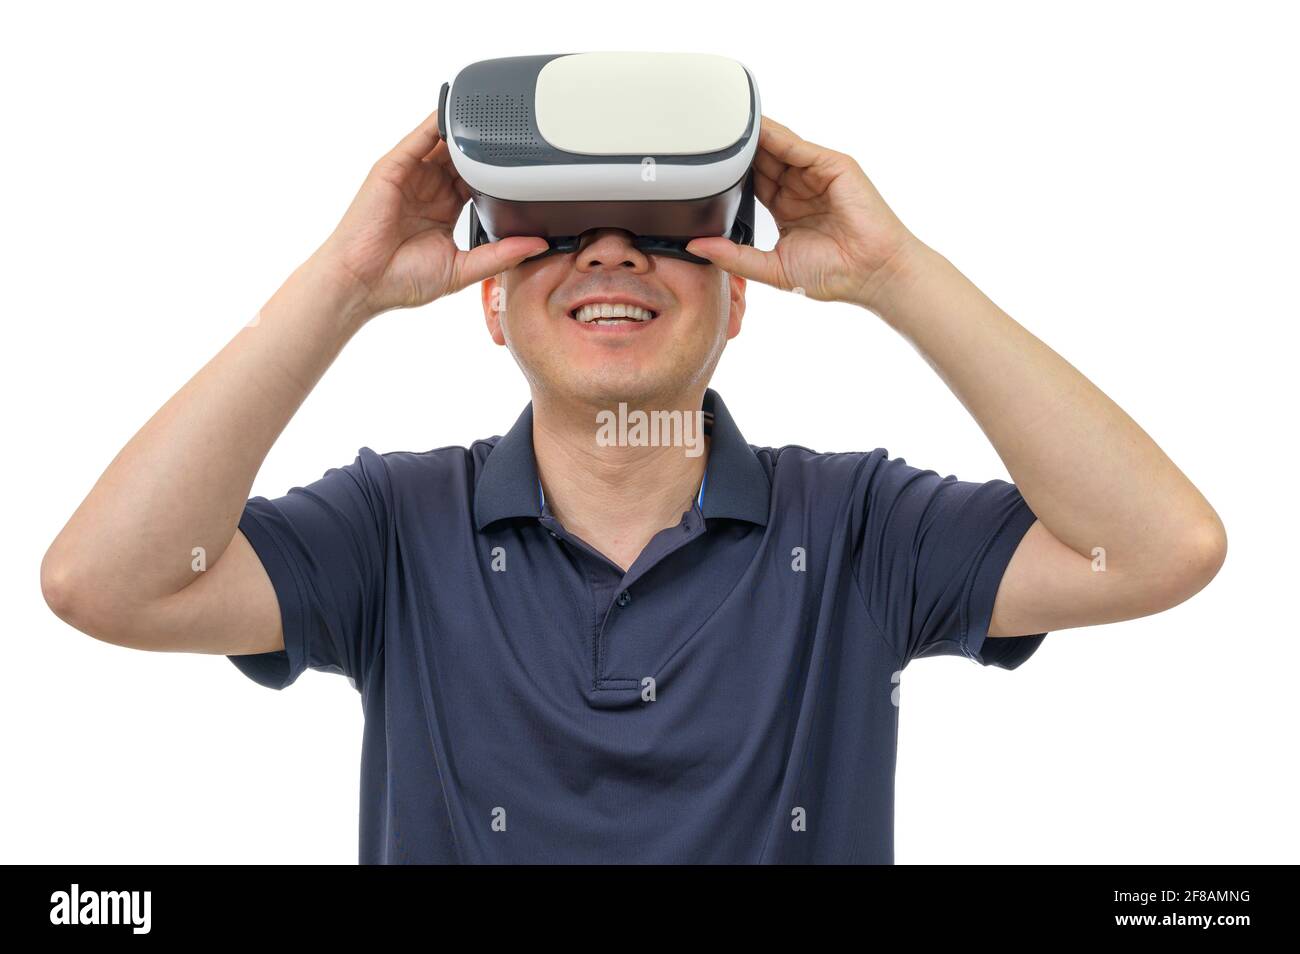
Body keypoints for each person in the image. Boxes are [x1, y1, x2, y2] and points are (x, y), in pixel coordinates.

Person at [40, 108, 1227, 863]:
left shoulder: (857, 529)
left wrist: (893, 273)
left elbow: (1161, 546)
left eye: (665, 229)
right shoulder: (395, 530)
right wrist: (343, 284)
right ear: (489, 303)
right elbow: (105, 583)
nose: (609, 253)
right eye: (554, 234)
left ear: (741, 295)